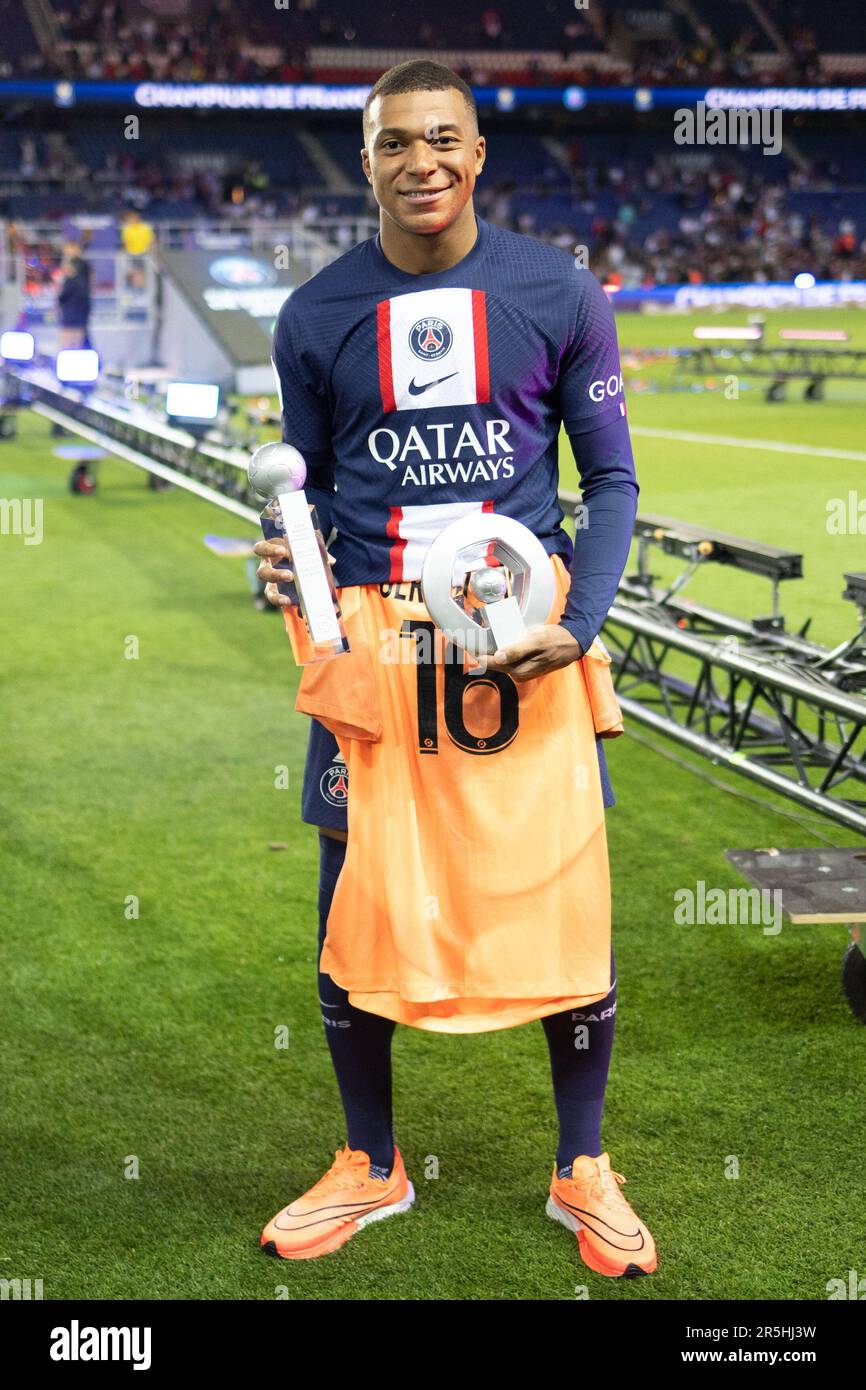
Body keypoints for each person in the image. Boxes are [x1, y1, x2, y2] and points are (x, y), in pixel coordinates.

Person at [254, 60, 657, 1278]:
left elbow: (613, 481)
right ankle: (370, 1163)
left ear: (478, 155)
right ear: (365, 161)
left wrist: (577, 624)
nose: (420, 161)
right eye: (394, 144)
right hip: (374, 660)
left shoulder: (556, 288)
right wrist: (282, 568)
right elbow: (308, 500)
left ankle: (579, 1165)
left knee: (559, 892)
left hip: (517, 642)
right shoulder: (314, 316)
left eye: (444, 139)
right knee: (351, 899)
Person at [56, 253, 91, 350]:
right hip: (79, 320)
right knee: (76, 347)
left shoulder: (69, 282)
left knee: (66, 347)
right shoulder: (84, 283)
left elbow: (61, 299)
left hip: (70, 320)